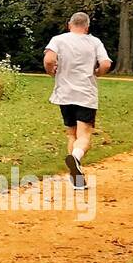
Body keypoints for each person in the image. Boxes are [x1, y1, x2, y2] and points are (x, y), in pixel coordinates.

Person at [43, 12, 112, 189]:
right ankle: (76, 158)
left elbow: (49, 59)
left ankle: (77, 179)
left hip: (64, 94)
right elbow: (105, 64)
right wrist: (97, 73)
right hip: (85, 94)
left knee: (71, 134)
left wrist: (51, 72)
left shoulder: (58, 39)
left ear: (69, 24)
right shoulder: (94, 42)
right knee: (84, 134)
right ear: (87, 27)